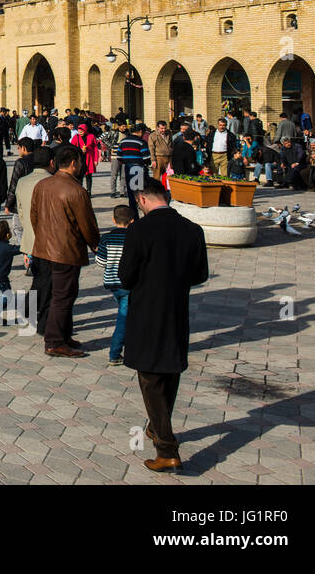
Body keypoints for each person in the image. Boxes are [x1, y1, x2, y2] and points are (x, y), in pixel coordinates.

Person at [119, 177, 209, 471]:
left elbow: (126, 276)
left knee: (149, 377)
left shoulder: (140, 231)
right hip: (177, 309)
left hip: (147, 310)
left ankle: (166, 448)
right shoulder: (192, 230)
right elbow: (200, 275)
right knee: (170, 369)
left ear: (142, 200)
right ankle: (156, 428)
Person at [29, 144, 101, 358]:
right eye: (80, 162)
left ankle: (64, 333)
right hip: (65, 250)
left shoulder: (42, 185)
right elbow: (87, 224)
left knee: (62, 294)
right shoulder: (76, 191)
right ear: (73, 163)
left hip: (44, 248)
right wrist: (95, 244)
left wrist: (42, 236)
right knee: (63, 296)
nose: (81, 166)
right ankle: (54, 341)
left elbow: (34, 216)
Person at [95, 204, 135, 366]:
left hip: (112, 283)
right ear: (132, 221)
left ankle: (128, 343)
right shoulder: (133, 238)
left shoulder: (106, 238)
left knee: (126, 312)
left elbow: (100, 261)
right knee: (124, 318)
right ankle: (115, 353)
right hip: (127, 283)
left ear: (113, 219)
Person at [115, 123, 151, 214]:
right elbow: (146, 158)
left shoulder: (123, 141)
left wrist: (127, 161)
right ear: (140, 131)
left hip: (128, 168)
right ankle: (145, 214)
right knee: (140, 194)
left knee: (131, 195)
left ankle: (134, 216)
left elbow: (119, 157)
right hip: (138, 169)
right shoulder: (141, 142)